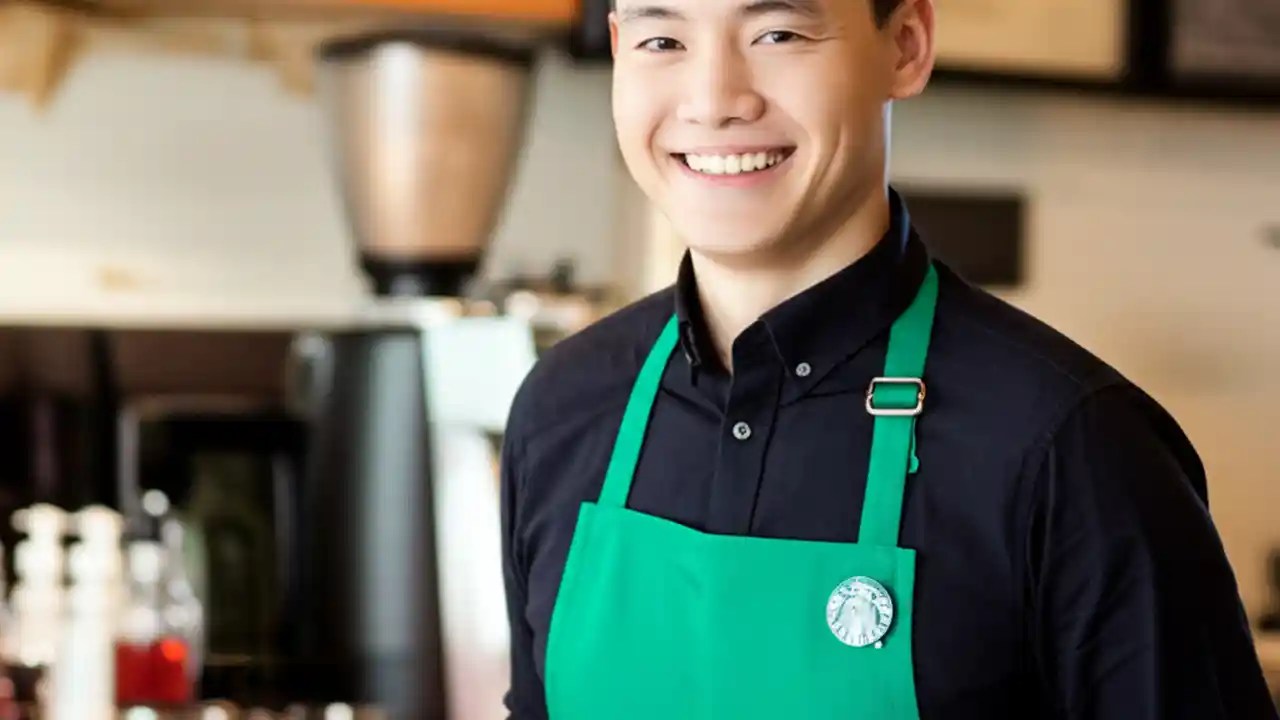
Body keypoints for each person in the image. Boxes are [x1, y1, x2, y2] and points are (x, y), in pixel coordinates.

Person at [499, 0, 1279, 717]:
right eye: (662, 40)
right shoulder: (563, 408)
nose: (713, 100)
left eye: (778, 34)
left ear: (905, 46)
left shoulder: (1074, 448)